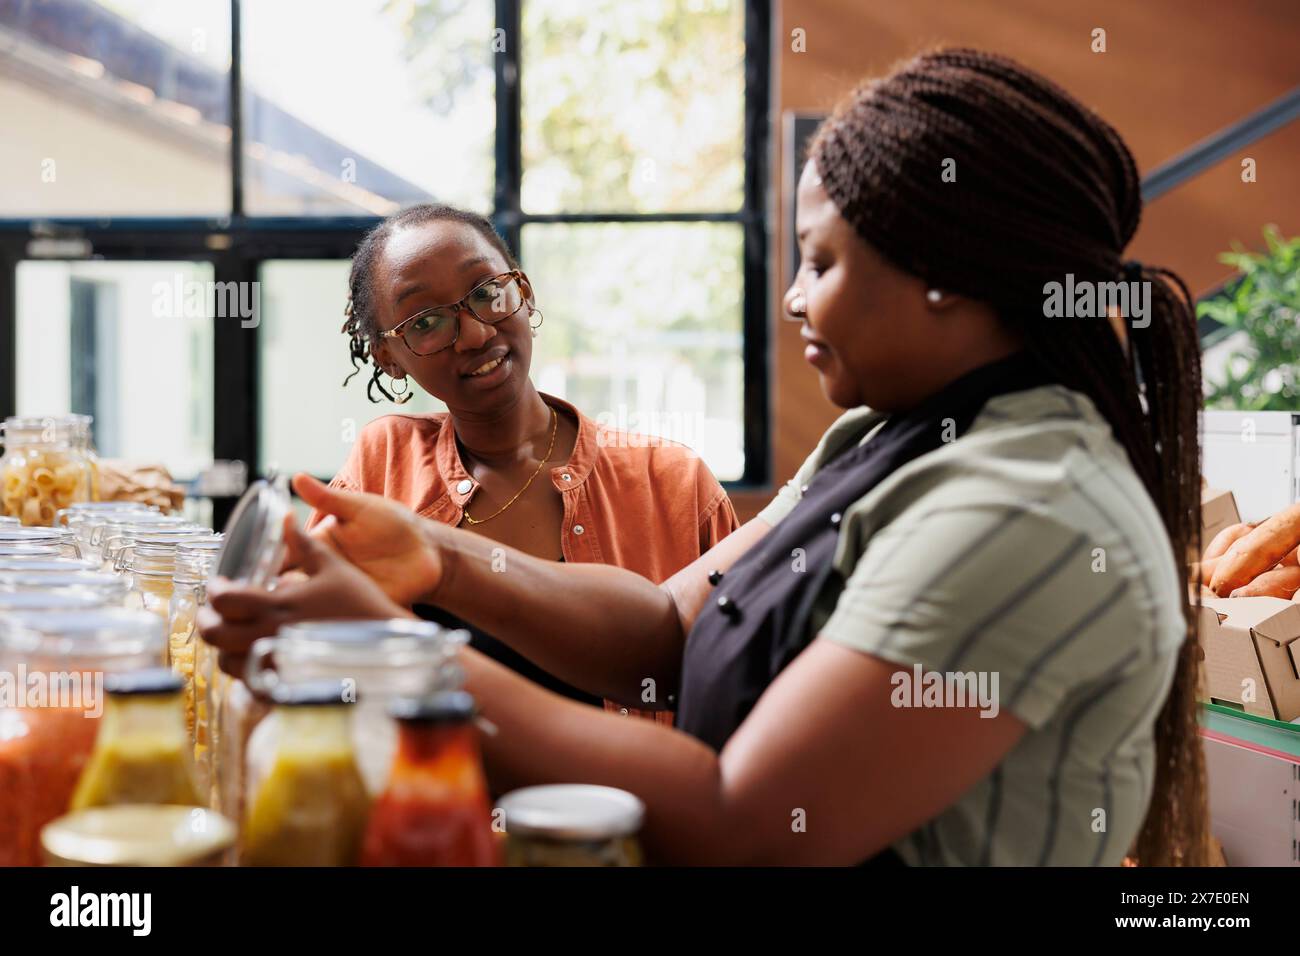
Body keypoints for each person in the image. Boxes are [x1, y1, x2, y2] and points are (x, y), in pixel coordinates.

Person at [203, 48, 1207, 865]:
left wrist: (386, 655)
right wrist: (438, 559)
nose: (793, 299)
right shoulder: (889, 435)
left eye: (819, 262)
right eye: (424, 322)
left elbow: (748, 821)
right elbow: (666, 626)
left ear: (945, 269)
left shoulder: (1025, 512)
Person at [320, 204, 739, 720]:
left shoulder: (670, 482)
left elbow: (736, 682)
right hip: (432, 793)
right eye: (427, 321)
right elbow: (316, 657)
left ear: (524, 292)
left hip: (629, 798)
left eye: (487, 292)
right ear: (388, 356)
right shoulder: (383, 466)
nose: (475, 334)